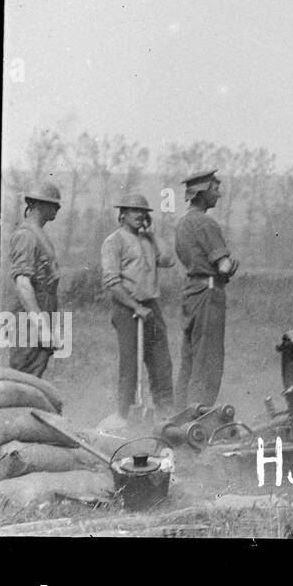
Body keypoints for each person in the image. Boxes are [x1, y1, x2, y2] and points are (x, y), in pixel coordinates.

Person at [100, 193, 176, 422]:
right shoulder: (114, 241)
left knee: (162, 365)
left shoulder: (148, 241)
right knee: (130, 368)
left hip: (151, 306)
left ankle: (165, 418)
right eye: (134, 211)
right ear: (122, 215)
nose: (140, 215)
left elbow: (169, 259)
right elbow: (111, 282)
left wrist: (151, 234)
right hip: (126, 308)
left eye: (143, 212)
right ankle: (125, 418)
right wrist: (134, 306)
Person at [173, 169, 238, 408]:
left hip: (191, 293)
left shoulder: (182, 224)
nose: (218, 195)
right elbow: (223, 265)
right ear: (202, 192)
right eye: (214, 189)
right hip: (209, 295)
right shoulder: (206, 223)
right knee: (208, 359)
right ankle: (200, 417)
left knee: (189, 359)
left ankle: (180, 413)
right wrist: (231, 266)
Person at [6, 181, 64, 378]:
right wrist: (41, 325)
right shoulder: (26, 235)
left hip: (43, 307)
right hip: (29, 314)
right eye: (53, 204)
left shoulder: (39, 235)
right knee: (23, 377)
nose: (57, 208)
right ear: (38, 204)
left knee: (34, 375)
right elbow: (23, 283)